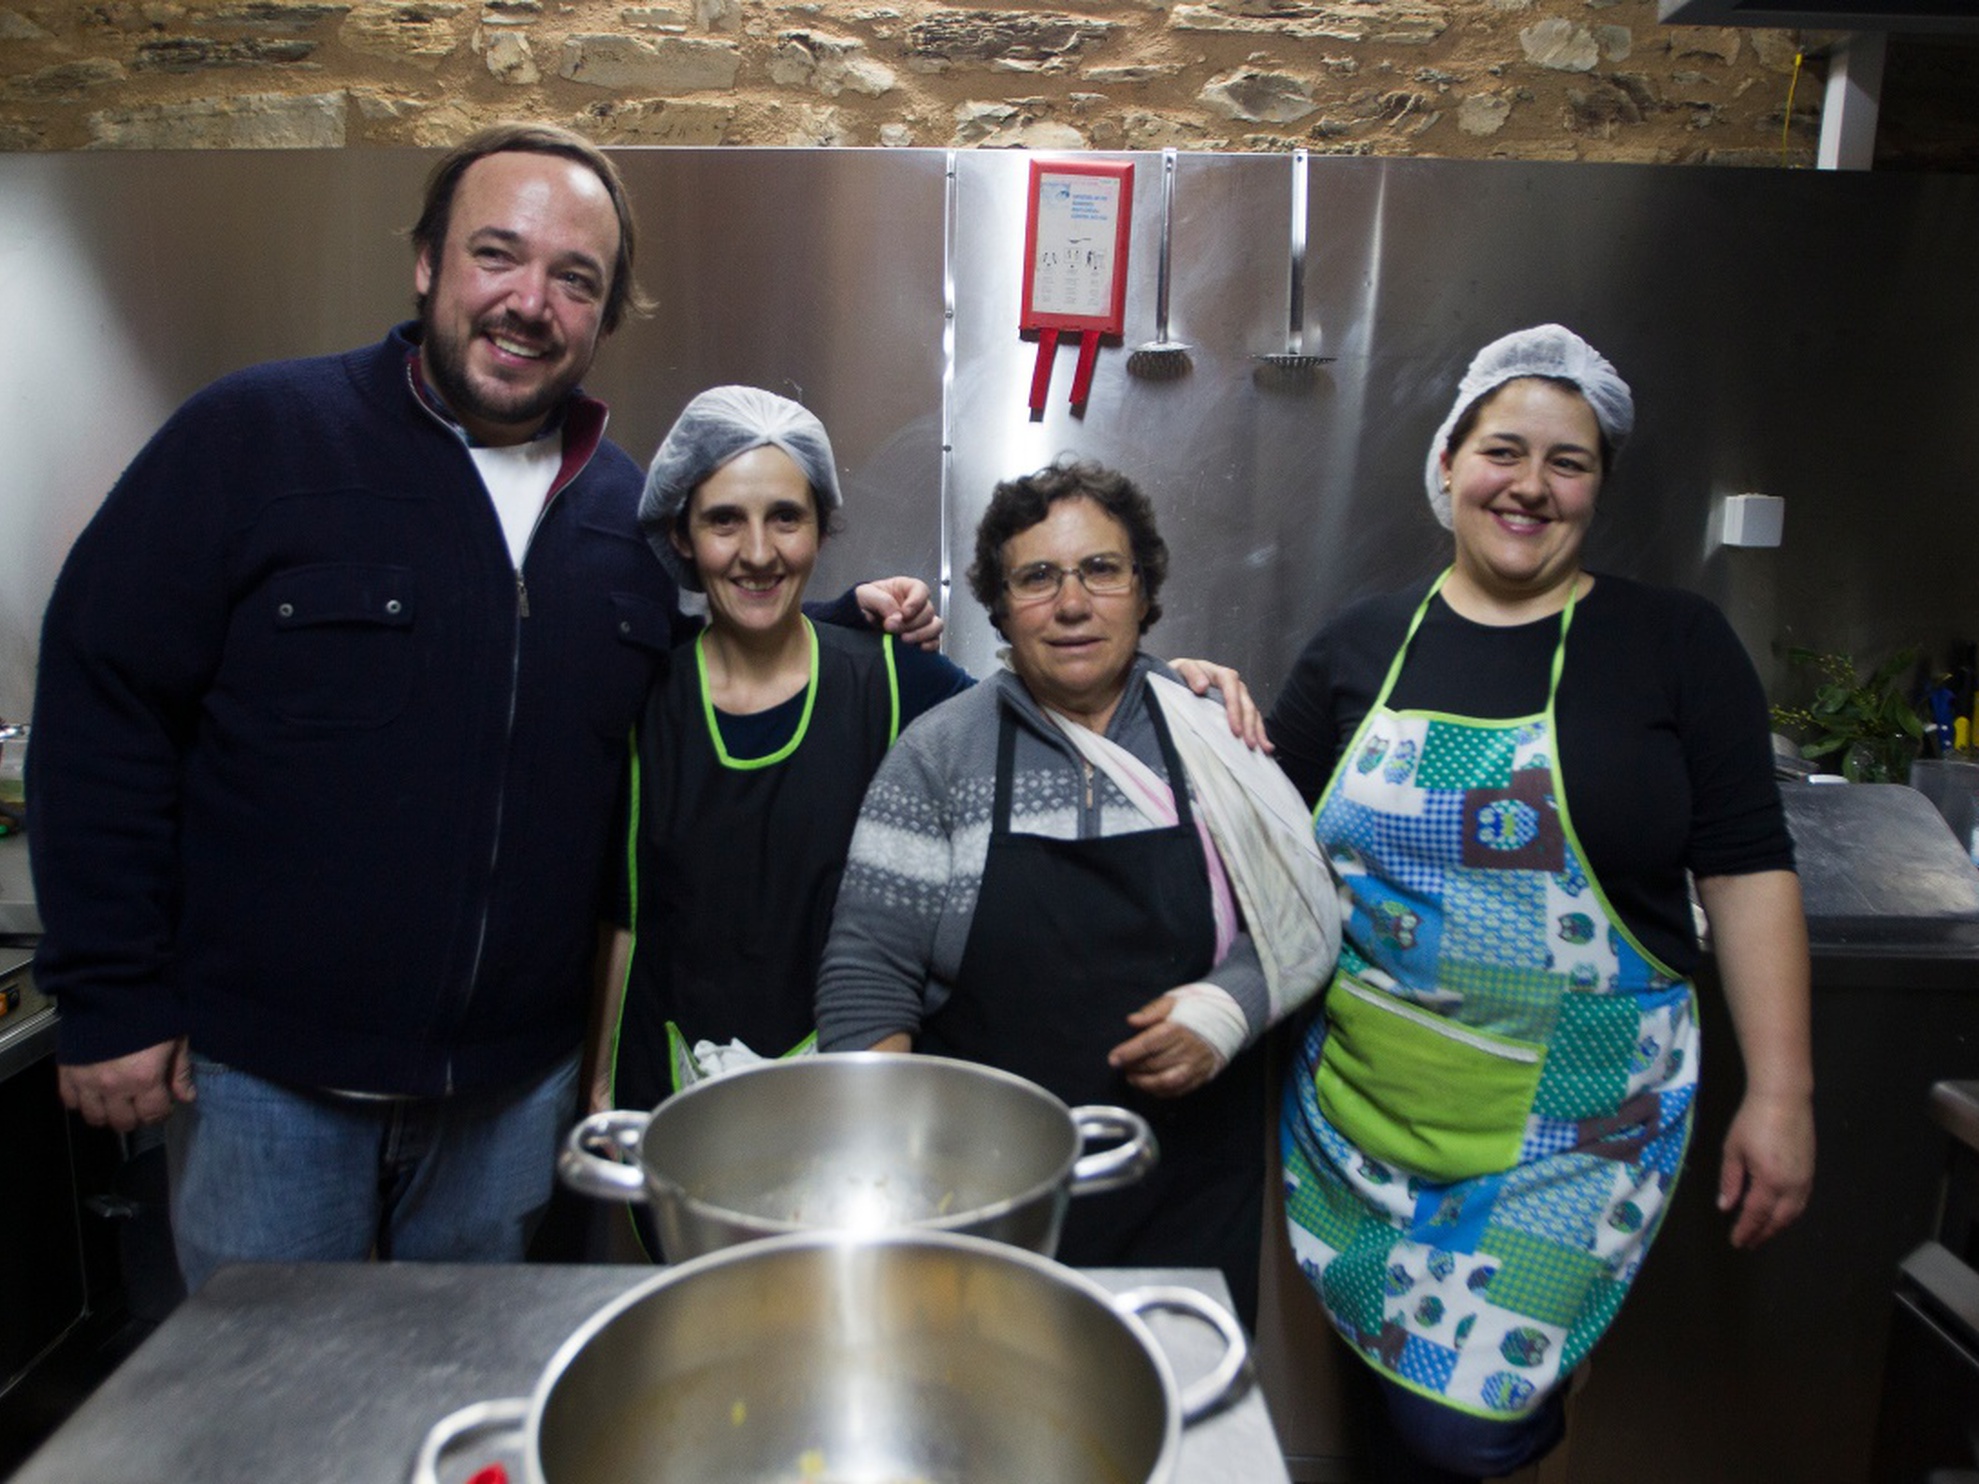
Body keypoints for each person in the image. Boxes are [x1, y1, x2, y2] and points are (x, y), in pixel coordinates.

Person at [29, 123, 939, 1295]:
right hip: (267, 1080)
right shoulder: (258, 437)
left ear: (606, 314)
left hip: (514, 1097)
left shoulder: (621, 516)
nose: (529, 302)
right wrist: (108, 993)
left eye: (575, 279)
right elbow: (105, 693)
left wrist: (850, 619)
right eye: (496, 256)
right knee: (270, 1417)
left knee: (477, 1411)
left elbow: (712, 664)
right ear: (424, 263)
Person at [1269, 325, 1815, 1482]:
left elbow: (1746, 864)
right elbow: (1267, 843)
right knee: (1403, 1409)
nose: (1528, 484)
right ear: (1447, 462)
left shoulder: (1670, 644)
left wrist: (1781, 1089)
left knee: (1474, 1420)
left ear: (1597, 485)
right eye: (1501, 450)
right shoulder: (1358, 646)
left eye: (1565, 461)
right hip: (1365, 1106)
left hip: (1577, 1117)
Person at [816, 458, 1339, 1326]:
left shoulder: (1212, 732)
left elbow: (1303, 910)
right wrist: (898, 1178)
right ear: (999, 606)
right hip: (987, 1197)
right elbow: (868, 975)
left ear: (1142, 589)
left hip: (1190, 1195)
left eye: (1101, 569)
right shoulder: (938, 756)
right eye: (1036, 577)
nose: (1071, 603)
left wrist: (1232, 1006)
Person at [596, 386, 974, 1121]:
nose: (759, 553)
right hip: (670, 1088)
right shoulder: (645, 698)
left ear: (822, 529)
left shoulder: (897, 683)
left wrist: (1170, 689)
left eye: (785, 518)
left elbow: (1035, 723)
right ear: (680, 534)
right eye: (724, 521)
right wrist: (603, 1082)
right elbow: (624, 914)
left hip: (855, 1091)